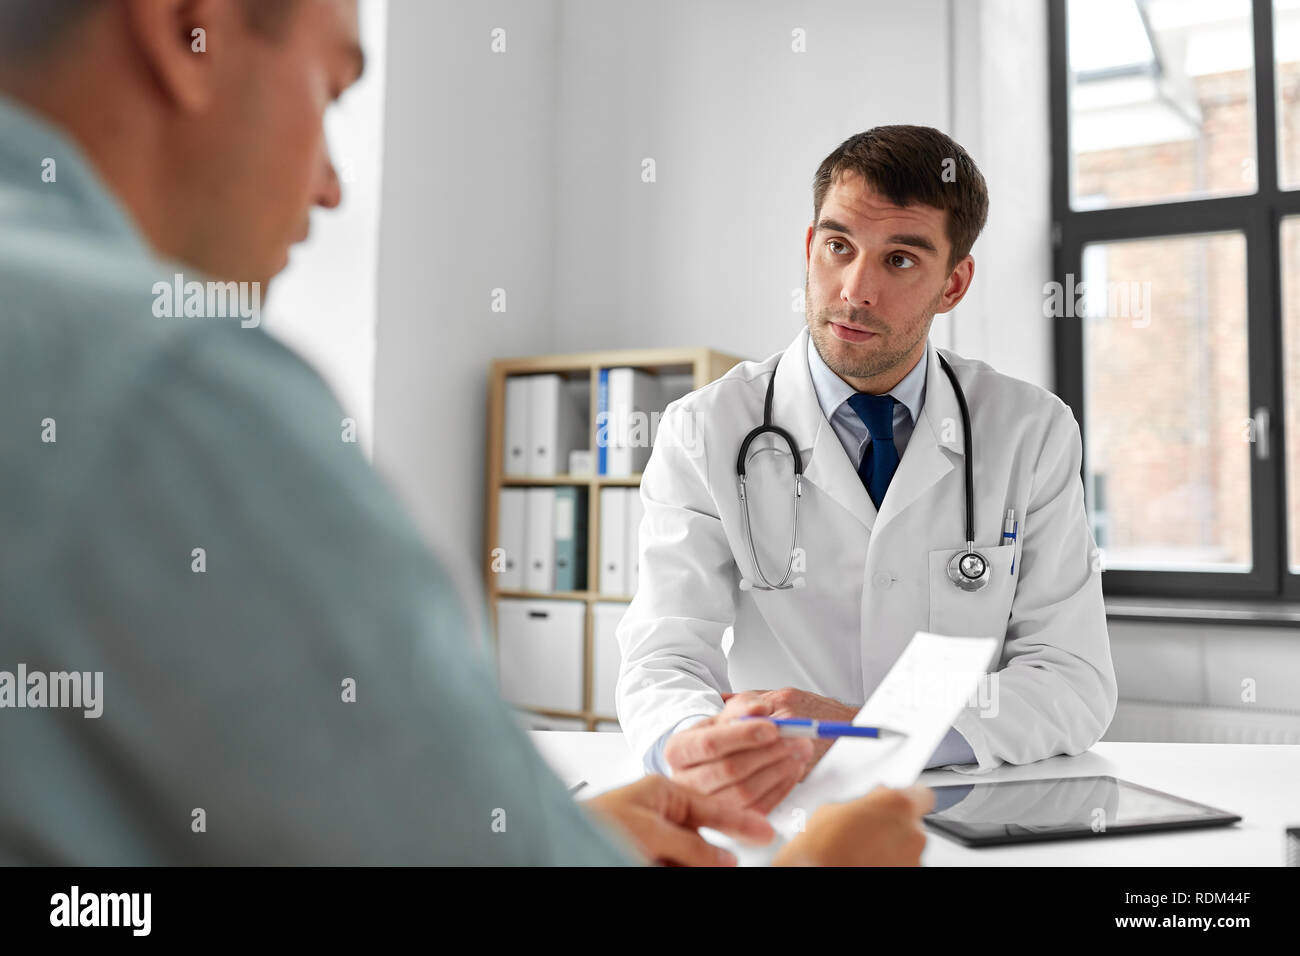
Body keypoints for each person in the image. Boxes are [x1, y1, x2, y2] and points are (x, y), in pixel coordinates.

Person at [0, 0, 931, 866]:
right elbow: (660, 655)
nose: (328, 187)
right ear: (187, 29)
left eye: (900, 258)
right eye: (329, 91)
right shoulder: (170, 386)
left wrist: (549, 840)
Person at [616, 125, 1118, 813]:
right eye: (839, 246)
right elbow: (663, 655)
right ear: (809, 246)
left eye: (901, 260)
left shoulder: (1031, 431)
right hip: (777, 805)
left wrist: (869, 732)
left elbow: (1072, 678)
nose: (856, 290)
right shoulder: (705, 429)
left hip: (963, 813)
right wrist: (691, 746)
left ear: (954, 283)